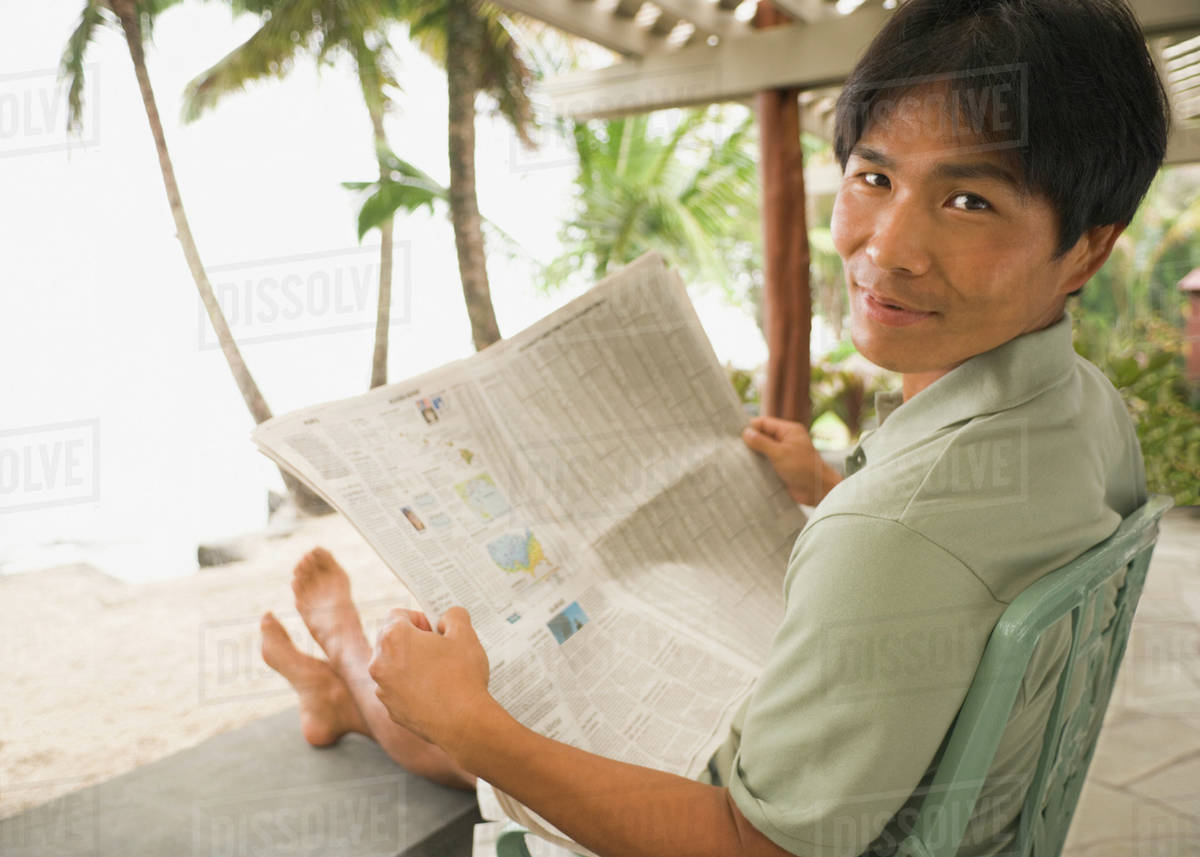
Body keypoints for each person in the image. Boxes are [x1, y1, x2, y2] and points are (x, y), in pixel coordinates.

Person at [259, 0, 1170, 853]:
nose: (888, 249)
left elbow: (755, 843)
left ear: (1089, 243)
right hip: (921, 772)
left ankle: (342, 660)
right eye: (875, 176)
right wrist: (826, 485)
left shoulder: (895, 534)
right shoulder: (1087, 411)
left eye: (969, 201)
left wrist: (476, 726)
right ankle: (337, 692)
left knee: (483, 704)